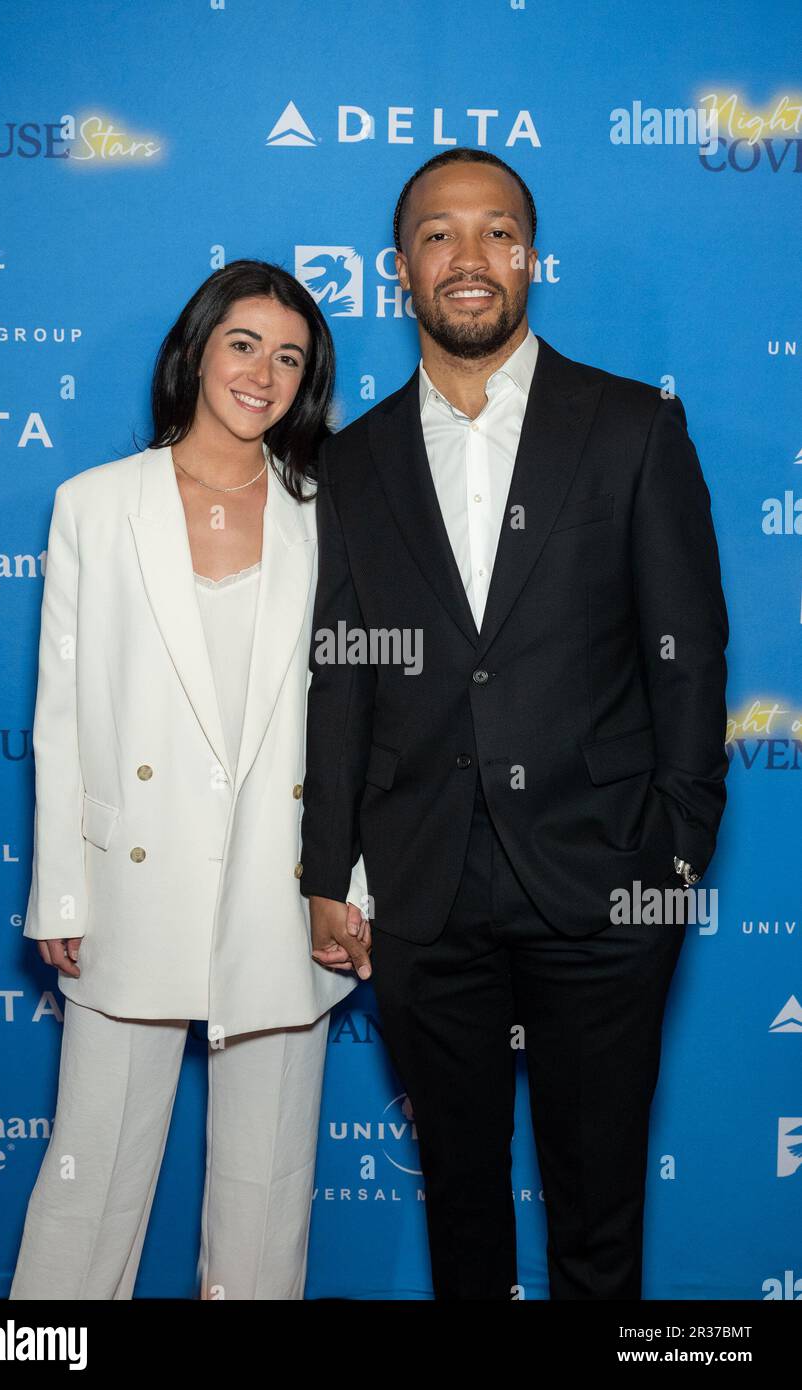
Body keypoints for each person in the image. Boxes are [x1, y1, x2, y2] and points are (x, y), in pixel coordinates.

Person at [300, 149, 729, 1300]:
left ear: (530, 257)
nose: (469, 258)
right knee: (463, 1216)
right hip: (422, 887)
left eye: (496, 232)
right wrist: (327, 864)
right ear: (399, 269)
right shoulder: (351, 461)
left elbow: (686, 656)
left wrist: (674, 849)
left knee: (598, 1216)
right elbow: (339, 676)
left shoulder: (631, 427)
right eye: (439, 235)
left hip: (603, 878)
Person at [10, 260, 370, 1302]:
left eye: (289, 356)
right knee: (90, 1180)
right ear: (197, 351)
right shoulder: (95, 503)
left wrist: (354, 887)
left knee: (268, 1191)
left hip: (286, 882)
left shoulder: (330, 514)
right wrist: (61, 891)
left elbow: (362, 718)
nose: (263, 372)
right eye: (243, 343)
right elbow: (63, 714)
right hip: (132, 882)